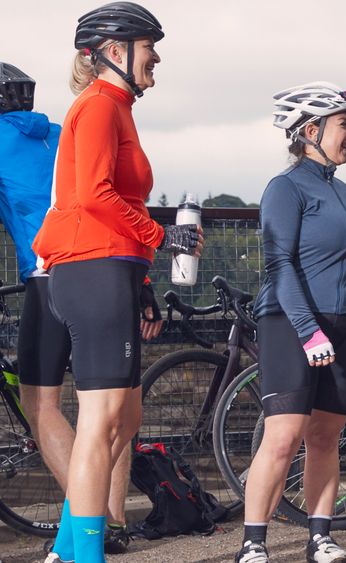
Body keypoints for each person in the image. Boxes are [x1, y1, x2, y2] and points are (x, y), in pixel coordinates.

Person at [31, 4, 201, 563]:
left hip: (113, 268)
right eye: (148, 44)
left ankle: (65, 547)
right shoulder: (100, 105)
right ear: (112, 51)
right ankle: (87, 556)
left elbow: (117, 201)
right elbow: (93, 196)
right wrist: (161, 236)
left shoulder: (118, 107)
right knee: (100, 419)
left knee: (122, 419)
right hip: (91, 266)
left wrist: (143, 280)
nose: (157, 55)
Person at [0, 61, 162, 558]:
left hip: (52, 273)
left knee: (44, 404)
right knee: (114, 415)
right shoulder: (60, 128)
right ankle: (103, 521)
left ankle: (83, 527)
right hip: (114, 270)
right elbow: (116, 199)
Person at [236, 82, 346, 563]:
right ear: (310, 130)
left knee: (325, 438)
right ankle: (253, 544)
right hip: (290, 321)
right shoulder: (284, 189)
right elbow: (280, 267)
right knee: (282, 437)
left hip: (345, 325)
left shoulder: (343, 190)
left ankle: (321, 536)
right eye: (344, 125)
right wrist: (308, 331)